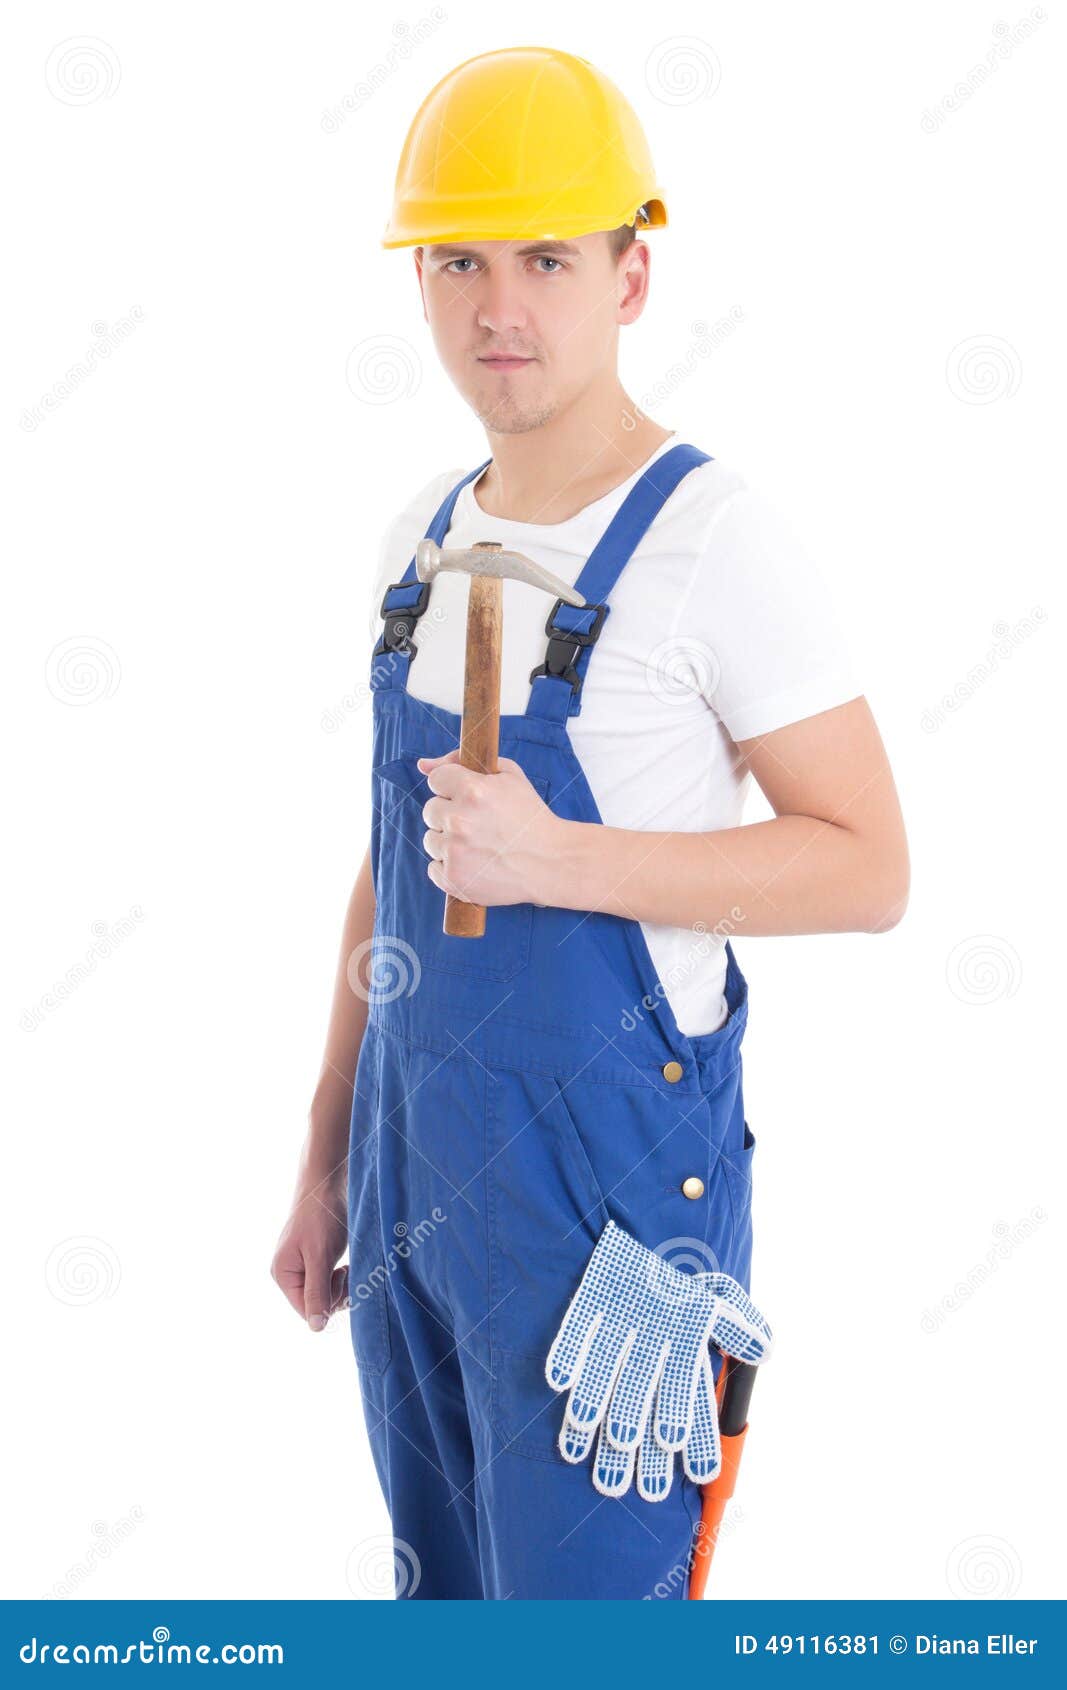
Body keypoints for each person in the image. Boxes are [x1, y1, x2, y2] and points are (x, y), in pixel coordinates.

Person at [271, 45, 909, 1601]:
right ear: (422, 283)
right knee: (441, 1620)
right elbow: (395, 861)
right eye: (462, 262)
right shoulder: (421, 539)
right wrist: (325, 1147)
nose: (501, 308)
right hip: (413, 1174)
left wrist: (559, 858)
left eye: (547, 259)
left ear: (631, 275)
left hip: (608, 1217)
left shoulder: (715, 544)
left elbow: (871, 865)